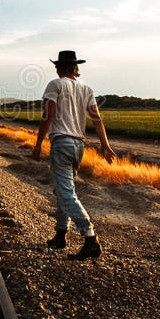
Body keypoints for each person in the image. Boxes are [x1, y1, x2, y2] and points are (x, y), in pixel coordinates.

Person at [32, 50, 117, 260]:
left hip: (61, 143)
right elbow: (97, 119)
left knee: (67, 193)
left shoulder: (55, 85)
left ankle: (90, 238)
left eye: (57, 66)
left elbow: (48, 115)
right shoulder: (86, 89)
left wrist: (38, 143)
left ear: (62, 67)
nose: (55, 69)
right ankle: (60, 234)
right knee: (63, 190)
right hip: (79, 146)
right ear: (75, 68)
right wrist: (105, 145)